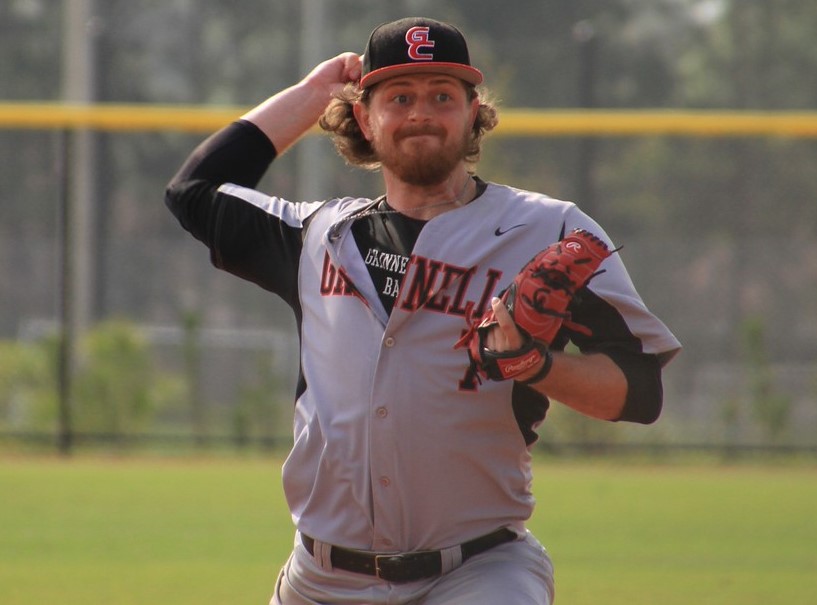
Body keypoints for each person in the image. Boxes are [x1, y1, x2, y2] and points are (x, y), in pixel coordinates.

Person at [166, 16, 681, 605]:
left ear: (472, 113)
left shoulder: (548, 229)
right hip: (323, 579)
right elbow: (194, 192)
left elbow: (640, 391)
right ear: (364, 117)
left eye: (442, 95)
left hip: (479, 571)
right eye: (399, 97)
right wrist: (312, 96)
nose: (420, 113)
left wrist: (535, 365)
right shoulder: (315, 235)